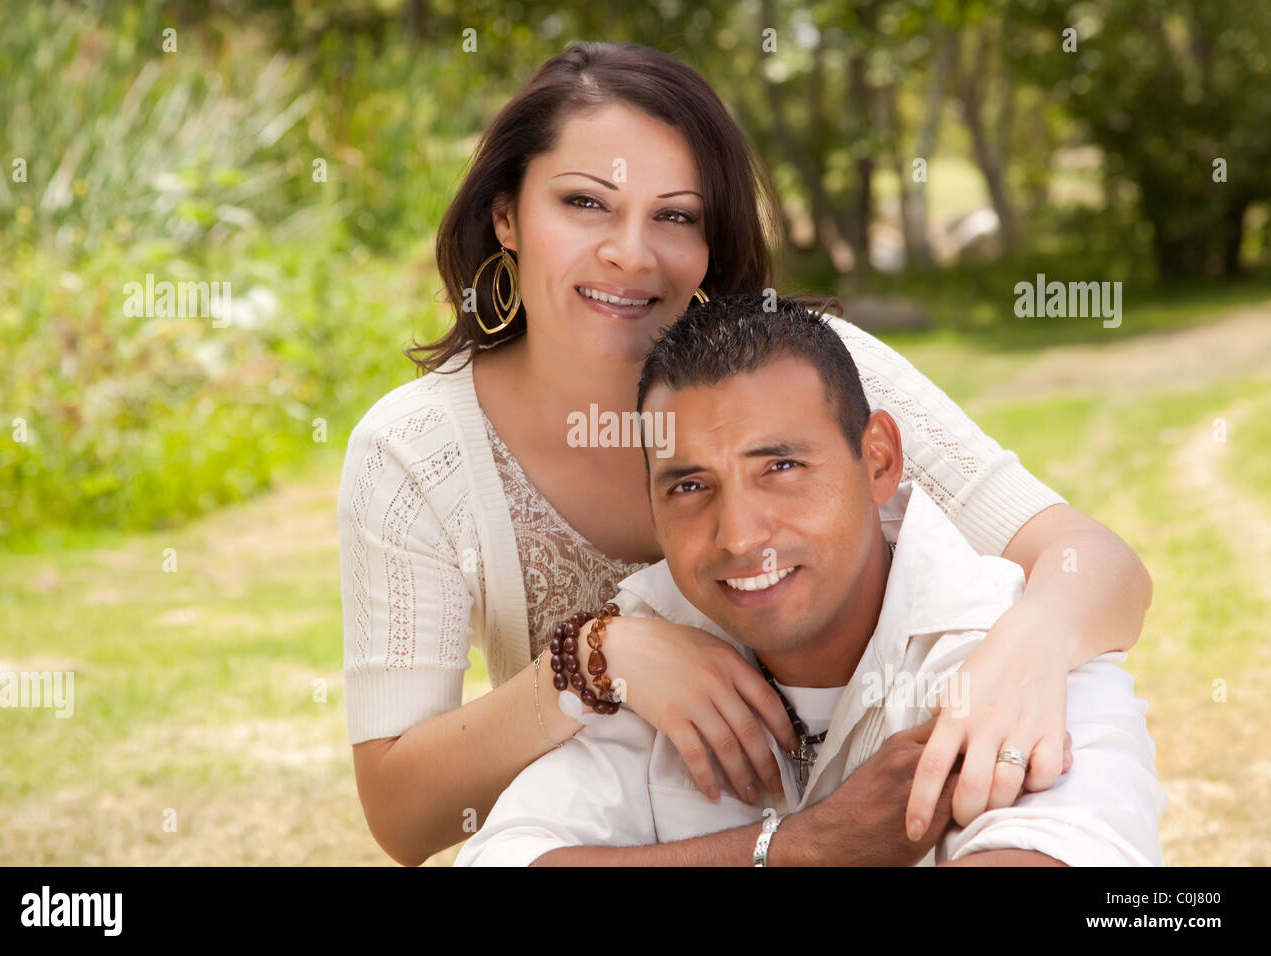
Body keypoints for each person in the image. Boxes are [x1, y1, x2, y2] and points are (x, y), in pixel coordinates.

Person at [338, 42, 1154, 867]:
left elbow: (1093, 561)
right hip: (626, 831)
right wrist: (597, 659)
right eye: (585, 203)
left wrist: (1028, 647)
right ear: (506, 215)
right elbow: (406, 821)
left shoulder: (805, 367)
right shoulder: (416, 455)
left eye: (676, 215)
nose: (631, 252)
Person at [454, 294, 1165, 866]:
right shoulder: (653, 653)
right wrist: (797, 849)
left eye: (781, 468)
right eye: (691, 486)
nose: (739, 536)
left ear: (879, 460)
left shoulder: (1023, 662)